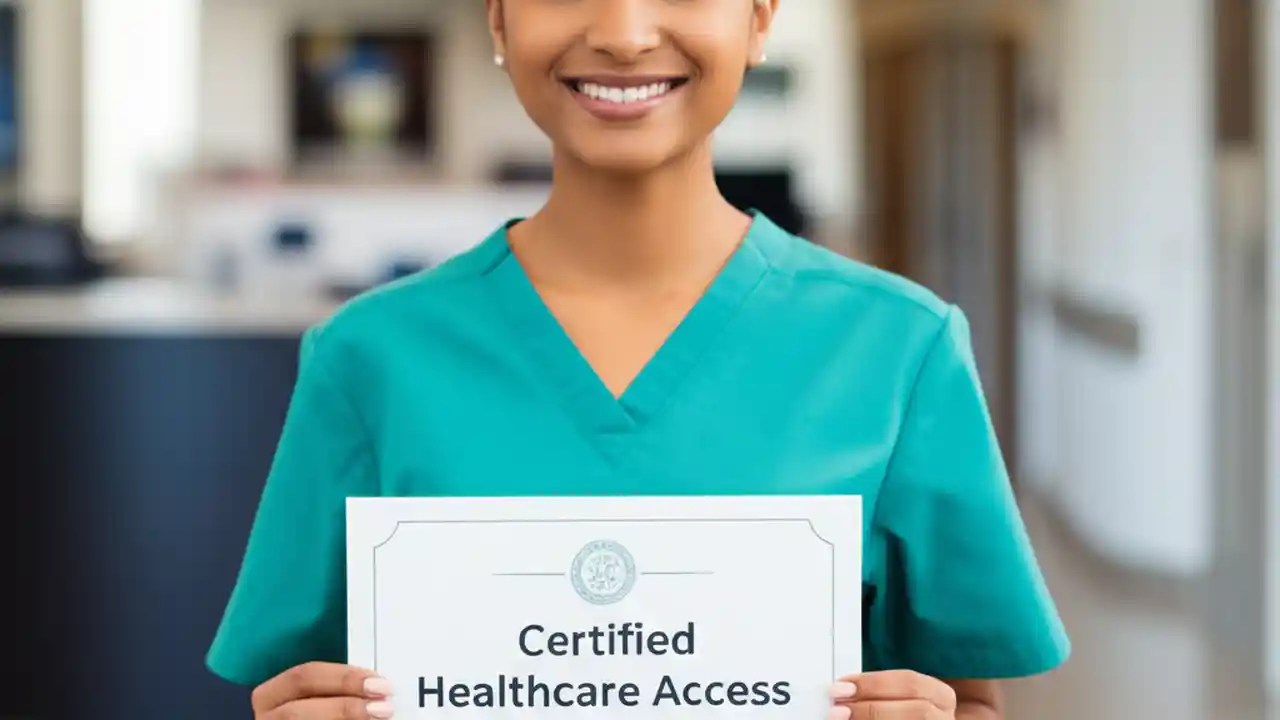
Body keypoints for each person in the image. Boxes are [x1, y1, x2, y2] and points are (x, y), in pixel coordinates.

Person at [206, 1, 1071, 718]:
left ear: (760, 16)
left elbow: (970, 700)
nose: (624, 31)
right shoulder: (367, 360)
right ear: (499, 20)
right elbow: (295, 685)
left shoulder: (898, 349)